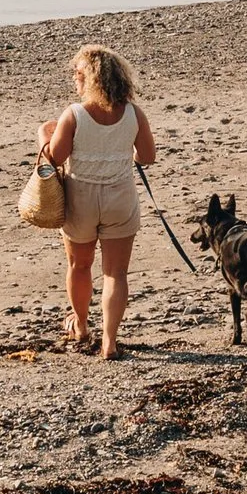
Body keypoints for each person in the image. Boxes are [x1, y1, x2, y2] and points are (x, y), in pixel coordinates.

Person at [39, 44, 156, 358]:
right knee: (115, 274)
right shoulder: (133, 112)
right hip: (119, 196)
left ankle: (81, 324)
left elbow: (55, 158)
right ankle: (109, 341)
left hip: (82, 199)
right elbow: (147, 157)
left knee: (80, 264)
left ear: (88, 79)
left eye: (77, 75)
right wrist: (120, 151)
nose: (74, 82)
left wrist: (43, 137)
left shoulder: (75, 114)